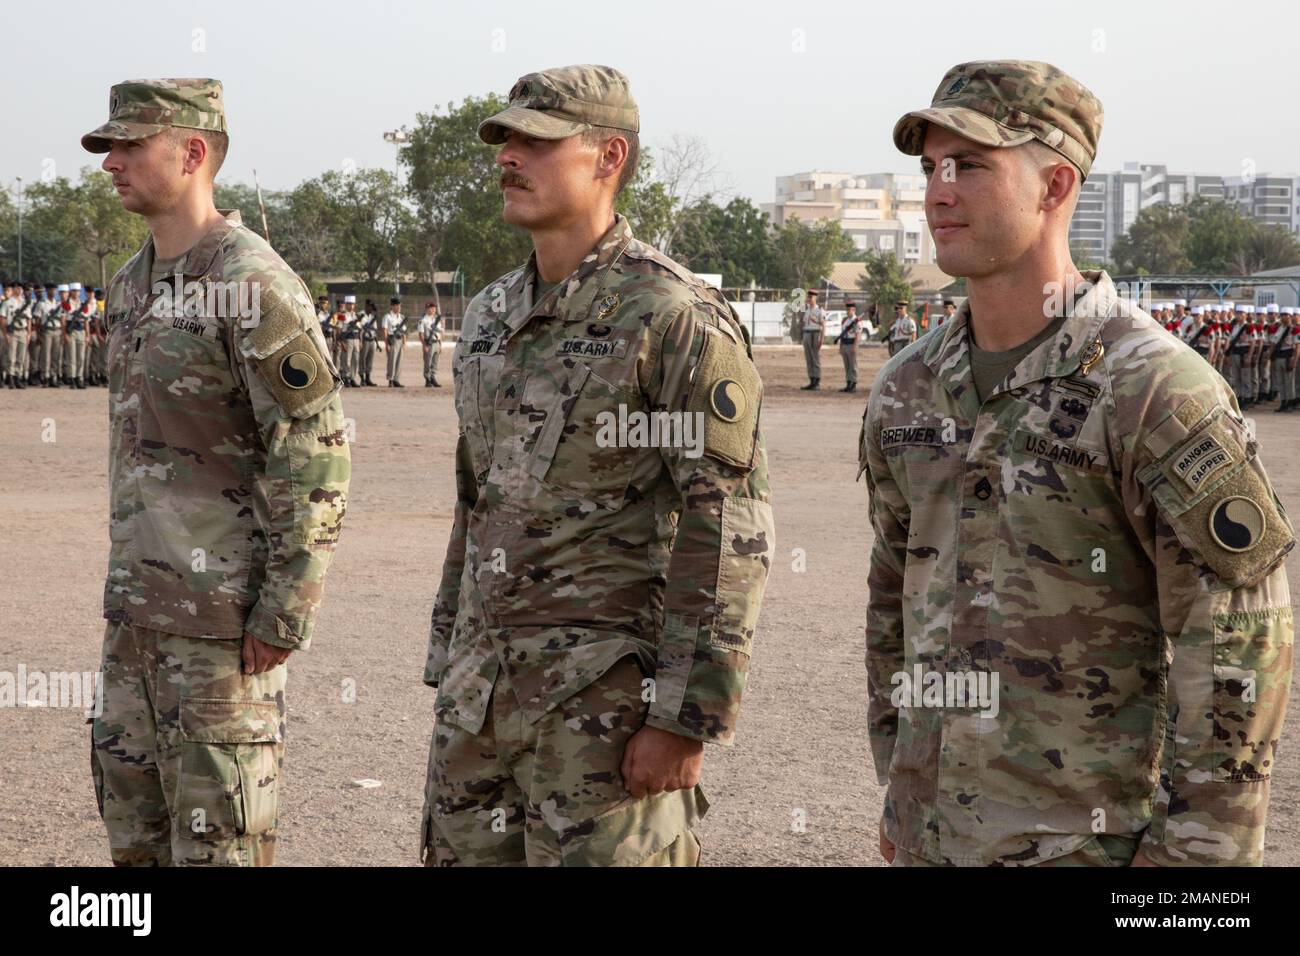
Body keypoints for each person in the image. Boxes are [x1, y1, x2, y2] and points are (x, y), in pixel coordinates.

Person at [864, 60, 1293, 868]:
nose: (937, 193)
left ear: (1055, 185)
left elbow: (1235, 645)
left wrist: (1195, 870)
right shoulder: (908, 386)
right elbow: (895, 596)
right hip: (932, 835)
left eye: (972, 166)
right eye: (930, 168)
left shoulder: (1154, 387)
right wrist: (899, 777)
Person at [421, 64, 774, 867]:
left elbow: (728, 525)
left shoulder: (672, 314)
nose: (509, 156)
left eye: (537, 142)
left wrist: (685, 714)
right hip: (480, 703)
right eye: (505, 140)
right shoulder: (488, 315)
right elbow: (477, 496)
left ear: (609, 157)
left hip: (604, 715)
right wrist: (450, 654)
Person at [82, 77, 351, 866]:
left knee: (218, 848)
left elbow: (315, 453)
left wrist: (283, 611)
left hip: (221, 632)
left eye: (130, 145)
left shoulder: (253, 284)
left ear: (193, 152)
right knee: (134, 847)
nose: (111, 163)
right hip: (136, 620)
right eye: (110, 147)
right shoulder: (131, 283)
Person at [799, 289, 826, 390]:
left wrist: (821, 339)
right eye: (808, 297)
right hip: (806, 333)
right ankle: (811, 379)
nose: (809, 299)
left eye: (811, 297)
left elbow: (823, 325)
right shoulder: (806, 310)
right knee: (809, 358)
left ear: (815, 298)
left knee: (815, 358)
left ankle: (817, 381)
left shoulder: (820, 310)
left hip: (815, 333)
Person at [837, 301, 861, 393]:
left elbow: (857, 335)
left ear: (854, 310)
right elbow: (842, 334)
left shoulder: (857, 321)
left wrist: (854, 347)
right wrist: (840, 347)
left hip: (852, 344)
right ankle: (848, 383)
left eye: (849, 309)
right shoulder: (844, 320)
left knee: (853, 365)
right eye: (847, 309)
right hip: (845, 344)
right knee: (847, 365)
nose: (848, 311)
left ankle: (853, 384)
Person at [382, 297, 406, 387]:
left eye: (399, 305)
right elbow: (385, 330)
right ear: (392, 306)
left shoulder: (401, 317)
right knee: (392, 361)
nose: (399, 307)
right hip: (392, 340)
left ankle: (396, 379)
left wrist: (404, 342)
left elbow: (404, 331)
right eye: (397, 305)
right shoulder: (387, 317)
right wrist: (386, 343)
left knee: (399, 361)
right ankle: (390, 379)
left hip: (400, 340)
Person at [418, 301, 443, 387]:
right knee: (427, 362)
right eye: (431, 308)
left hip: (436, 343)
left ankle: (433, 377)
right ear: (427, 309)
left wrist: (440, 344)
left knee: (434, 362)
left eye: (434, 308)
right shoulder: (423, 320)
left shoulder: (436, 320)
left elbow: (439, 333)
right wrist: (424, 345)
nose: (433, 310)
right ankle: (427, 379)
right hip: (429, 344)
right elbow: (421, 334)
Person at [359, 299, 380, 386]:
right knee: (362, 360)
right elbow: (359, 330)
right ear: (367, 306)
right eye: (371, 307)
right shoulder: (361, 315)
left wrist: (377, 344)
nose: (372, 309)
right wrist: (360, 341)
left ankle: (368, 378)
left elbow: (375, 331)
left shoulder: (372, 317)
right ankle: (362, 379)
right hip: (364, 340)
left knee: (370, 360)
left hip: (372, 341)